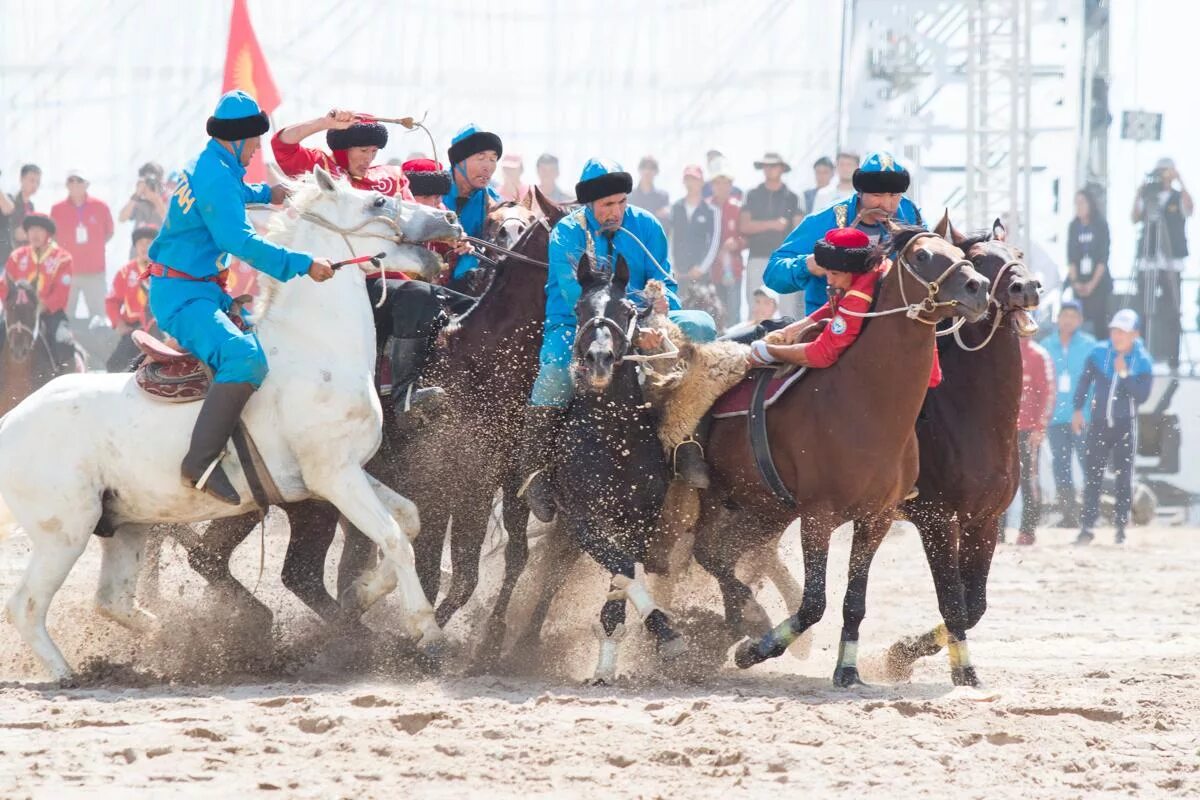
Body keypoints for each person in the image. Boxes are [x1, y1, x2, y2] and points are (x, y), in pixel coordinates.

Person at [147, 90, 336, 505]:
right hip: (184, 298)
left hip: (201, 289)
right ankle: (199, 463)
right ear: (237, 139)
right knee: (244, 357)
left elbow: (233, 193)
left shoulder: (212, 164)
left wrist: (269, 193)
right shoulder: (216, 175)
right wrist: (303, 263)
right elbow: (239, 240)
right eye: (254, 142)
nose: (255, 150)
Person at [519, 158, 719, 520]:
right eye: (607, 204)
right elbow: (574, 294)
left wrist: (662, 305)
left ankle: (688, 444)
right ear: (589, 204)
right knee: (554, 371)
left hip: (640, 317)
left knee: (701, 325)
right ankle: (535, 469)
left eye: (622, 202)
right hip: (577, 323)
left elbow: (666, 282)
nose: (616, 212)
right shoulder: (567, 233)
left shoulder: (647, 225)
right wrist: (633, 330)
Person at [274, 111, 458, 414]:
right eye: (362, 150)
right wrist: (324, 123)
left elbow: (413, 223)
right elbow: (282, 145)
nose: (368, 158)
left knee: (433, 298)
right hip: (334, 284)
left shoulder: (389, 179)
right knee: (418, 295)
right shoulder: (324, 170)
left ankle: (411, 396)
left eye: (374, 151)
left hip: (383, 281)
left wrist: (449, 239)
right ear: (342, 148)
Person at [747, 228, 940, 388]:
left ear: (852, 269)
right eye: (827, 273)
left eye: (834, 273)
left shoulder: (857, 299)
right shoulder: (876, 265)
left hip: (909, 381)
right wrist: (798, 326)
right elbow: (838, 301)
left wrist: (769, 351)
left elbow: (822, 354)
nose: (829, 281)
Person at [765, 151, 923, 317]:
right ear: (860, 192)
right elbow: (773, 273)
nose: (886, 204)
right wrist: (809, 264)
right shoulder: (825, 220)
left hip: (894, 319)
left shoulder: (911, 216)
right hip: (832, 320)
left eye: (894, 195)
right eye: (877, 195)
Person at [1072, 309, 1153, 545]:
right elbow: (1084, 381)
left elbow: (1142, 396)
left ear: (1135, 334)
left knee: (1124, 478)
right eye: (1115, 331)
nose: (1117, 336)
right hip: (1098, 425)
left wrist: (1125, 374)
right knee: (1093, 476)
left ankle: (1121, 527)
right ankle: (1087, 526)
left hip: (1125, 426)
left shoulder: (1142, 360)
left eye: (1123, 332)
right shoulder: (1099, 353)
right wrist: (1078, 409)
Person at [1132, 158, 1192, 372]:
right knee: (1144, 310)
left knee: (1173, 311)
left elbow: (1190, 209)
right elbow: (1135, 217)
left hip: (1171, 262)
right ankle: (1141, 355)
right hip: (1149, 261)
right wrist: (1140, 192)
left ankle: (1174, 360)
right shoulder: (1149, 196)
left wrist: (1180, 180)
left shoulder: (1177, 196)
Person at [1043, 301, 1096, 527]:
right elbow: (1043, 383)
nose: (1068, 320)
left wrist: (1082, 411)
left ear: (1080, 320)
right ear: (1058, 318)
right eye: (1064, 315)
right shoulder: (1046, 345)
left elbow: (1094, 383)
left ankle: (1091, 513)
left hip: (1082, 417)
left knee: (1088, 462)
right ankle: (1069, 515)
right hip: (1054, 416)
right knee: (1060, 464)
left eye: (1073, 316)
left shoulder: (1090, 346)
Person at [0, 214, 76, 371]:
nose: (35, 234)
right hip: (16, 313)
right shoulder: (17, 256)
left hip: (50, 314)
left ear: (48, 233)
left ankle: (64, 380)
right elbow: (4, 285)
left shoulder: (63, 258)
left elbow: (61, 293)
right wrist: (10, 304)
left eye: (40, 230)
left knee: (63, 342)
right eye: (31, 230)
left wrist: (40, 307)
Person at [740, 152, 802, 316]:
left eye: (773, 165)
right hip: (757, 256)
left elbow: (799, 230)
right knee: (755, 308)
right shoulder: (752, 194)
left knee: (787, 309)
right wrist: (773, 224)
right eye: (766, 165)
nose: (769, 169)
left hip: (785, 259)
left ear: (782, 168)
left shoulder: (793, 197)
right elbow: (744, 226)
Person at [442, 123, 503, 289]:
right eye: (480, 158)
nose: (487, 167)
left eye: (493, 159)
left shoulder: (494, 202)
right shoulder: (432, 190)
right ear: (459, 161)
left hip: (469, 285)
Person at [50, 168, 113, 322]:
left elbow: (109, 232)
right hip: (67, 272)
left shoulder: (101, 206)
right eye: (71, 180)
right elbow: (52, 236)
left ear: (87, 184)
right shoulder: (57, 209)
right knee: (63, 317)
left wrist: (92, 248)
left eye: (79, 180)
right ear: (66, 185)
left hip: (94, 271)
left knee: (99, 318)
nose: (75, 184)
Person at [1014, 337, 1055, 545]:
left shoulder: (1038, 354)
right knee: (998, 479)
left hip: (1028, 430)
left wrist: (1040, 427)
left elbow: (1048, 393)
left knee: (1028, 480)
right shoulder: (1000, 347)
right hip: (1003, 430)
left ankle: (1028, 530)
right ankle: (997, 531)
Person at [104, 225, 158, 372]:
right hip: (134, 329)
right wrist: (119, 323)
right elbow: (112, 301)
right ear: (135, 247)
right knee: (114, 365)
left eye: (149, 243)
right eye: (141, 243)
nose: (144, 247)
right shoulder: (125, 272)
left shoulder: (166, 270)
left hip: (160, 327)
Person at [668, 165, 720, 302]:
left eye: (694, 179)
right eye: (688, 179)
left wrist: (701, 268)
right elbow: (670, 238)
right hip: (679, 272)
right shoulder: (676, 207)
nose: (691, 183)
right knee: (678, 308)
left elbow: (714, 242)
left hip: (700, 274)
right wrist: (672, 266)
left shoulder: (712, 210)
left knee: (701, 308)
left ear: (702, 182)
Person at [1066, 189, 1112, 337]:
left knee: (1098, 322)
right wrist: (1075, 282)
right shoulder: (1074, 226)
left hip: (1098, 283)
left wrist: (1092, 284)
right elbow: (1071, 258)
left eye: (1082, 203)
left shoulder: (1100, 225)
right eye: (1076, 203)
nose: (1079, 207)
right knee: (1079, 320)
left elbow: (1103, 258)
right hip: (1080, 281)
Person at [709, 164, 745, 322]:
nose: (722, 187)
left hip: (733, 268)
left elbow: (748, 237)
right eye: (718, 183)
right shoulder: (706, 206)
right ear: (712, 185)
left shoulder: (738, 207)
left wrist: (737, 243)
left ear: (731, 185)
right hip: (710, 269)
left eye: (726, 183)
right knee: (713, 312)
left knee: (733, 313)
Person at [0, 164, 41, 264]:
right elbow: (17, 233)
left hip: (24, 260)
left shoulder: (31, 206)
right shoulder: (10, 199)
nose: (35, 185)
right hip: (7, 258)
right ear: (22, 179)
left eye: (38, 182)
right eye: (32, 180)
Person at [118, 162, 169, 235]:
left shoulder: (168, 198)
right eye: (147, 181)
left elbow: (170, 224)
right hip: (140, 240)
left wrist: (156, 199)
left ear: (160, 181)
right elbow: (122, 218)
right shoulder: (138, 201)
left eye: (153, 181)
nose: (150, 184)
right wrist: (137, 194)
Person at [629, 156, 670, 225]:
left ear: (656, 172)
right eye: (644, 167)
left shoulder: (663, 197)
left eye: (651, 168)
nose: (647, 171)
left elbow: (665, 224)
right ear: (639, 170)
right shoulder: (630, 196)